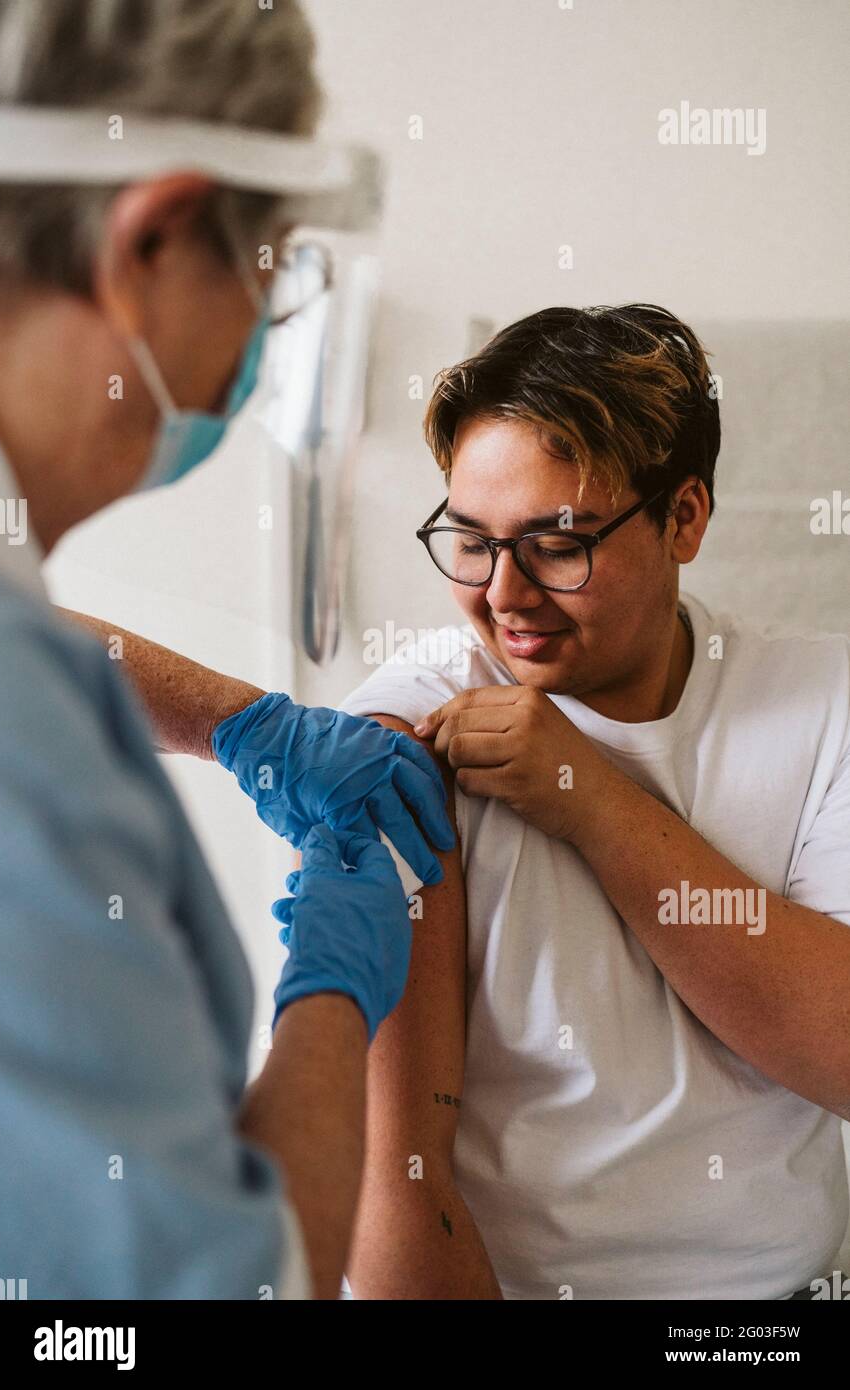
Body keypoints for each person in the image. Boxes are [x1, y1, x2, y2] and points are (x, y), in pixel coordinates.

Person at [0, 0, 452, 1300]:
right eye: (267, 275)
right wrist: (331, 988)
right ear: (151, 238)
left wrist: (245, 718)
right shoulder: (17, 729)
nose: (253, 348)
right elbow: (224, 1290)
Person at [335, 304, 850, 1300]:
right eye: (470, 541)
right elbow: (392, 1181)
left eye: (557, 544)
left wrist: (586, 796)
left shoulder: (823, 706)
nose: (503, 594)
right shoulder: (401, 736)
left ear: (684, 517)